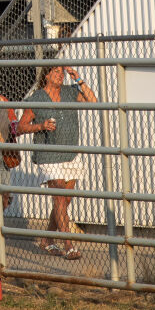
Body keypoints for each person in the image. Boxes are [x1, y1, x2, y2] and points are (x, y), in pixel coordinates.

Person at [14, 65, 96, 260]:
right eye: (56, 72)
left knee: (65, 201)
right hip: (48, 154)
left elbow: (92, 100)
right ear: (47, 75)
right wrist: (41, 126)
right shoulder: (37, 98)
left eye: (62, 72)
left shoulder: (70, 92)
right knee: (59, 198)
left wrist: (78, 79)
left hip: (70, 153)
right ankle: (68, 245)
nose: (60, 75)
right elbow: (20, 127)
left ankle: (47, 240)